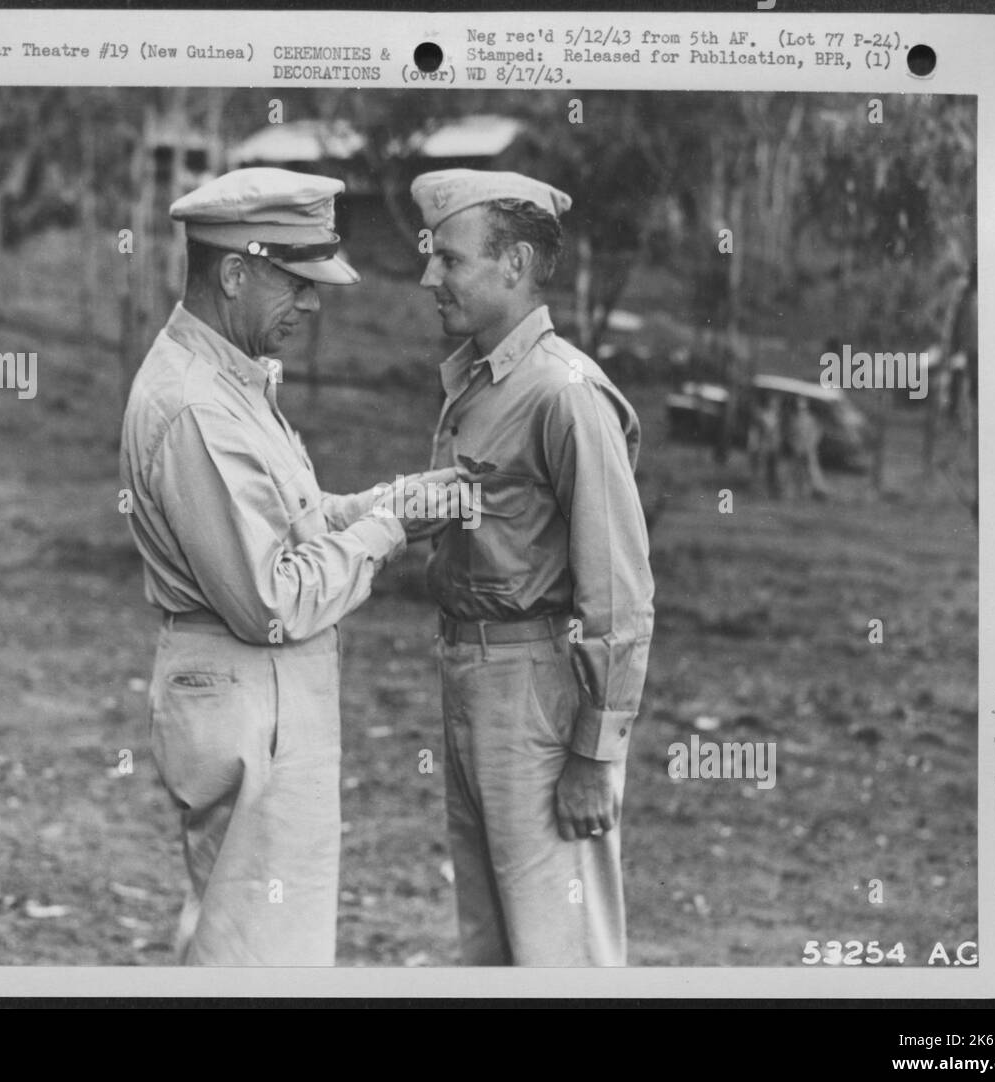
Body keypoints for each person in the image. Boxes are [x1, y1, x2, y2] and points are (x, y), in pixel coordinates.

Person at [120, 167, 454, 964]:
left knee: (260, 937)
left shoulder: (230, 381)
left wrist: (383, 501)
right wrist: (389, 529)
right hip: (250, 688)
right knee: (256, 954)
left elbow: (288, 524)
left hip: (260, 695)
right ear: (235, 272)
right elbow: (272, 598)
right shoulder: (200, 406)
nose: (313, 304)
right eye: (297, 283)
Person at [411, 169, 655, 966]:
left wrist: (594, 752)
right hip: (471, 676)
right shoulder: (478, 386)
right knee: (491, 950)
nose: (429, 277)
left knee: (562, 952)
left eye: (450, 259)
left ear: (513, 265)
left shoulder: (563, 394)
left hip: (537, 695)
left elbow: (618, 592)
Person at [784, 395, 828, 499]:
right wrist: (793, 444)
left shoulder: (812, 418)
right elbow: (789, 433)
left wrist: (811, 444)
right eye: (798, 404)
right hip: (797, 449)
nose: (800, 407)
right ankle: (796, 493)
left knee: (812, 471)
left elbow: (818, 432)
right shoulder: (793, 418)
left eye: (803, 404)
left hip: (809, 449)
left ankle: (818, 492)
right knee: (795, 472)